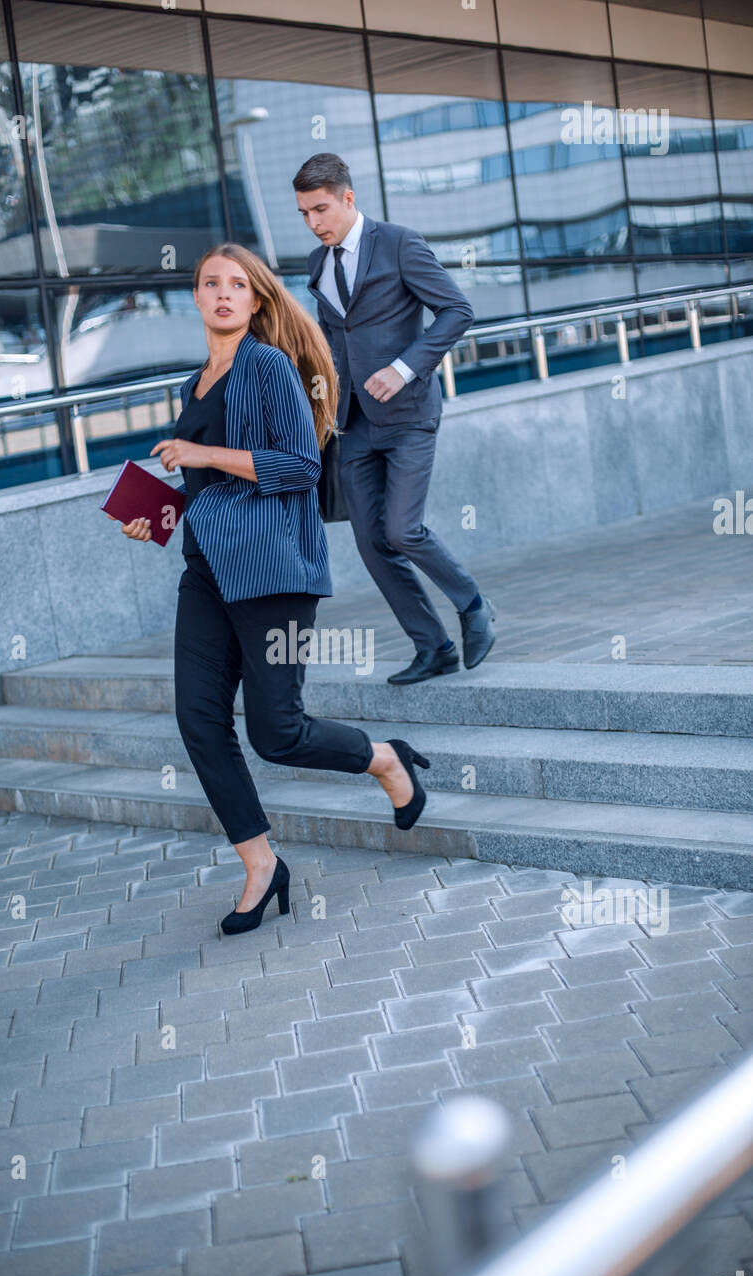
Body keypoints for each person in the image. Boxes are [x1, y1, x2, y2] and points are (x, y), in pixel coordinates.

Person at [109, 244, 431, 936]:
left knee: (277, 733)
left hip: (271, 571)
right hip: (206, 571)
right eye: (210, 283)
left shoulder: (268, 365)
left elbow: (297, 466)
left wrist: (202, 454)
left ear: (256, 300)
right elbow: (205, 491)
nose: (223, 294)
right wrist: (156, 517)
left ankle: (385, 758)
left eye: (237, 285)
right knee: (198, 720)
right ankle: (260, 864)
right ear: (195, 298)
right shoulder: (194, 383)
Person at [295, 152, 497, 685]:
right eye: (305, 214)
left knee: (404, 529)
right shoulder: (318, 265)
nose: (315, 223)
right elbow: (335, 343)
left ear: (347, 198)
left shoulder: (400, 242)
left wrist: (405, 368)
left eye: (321, 209)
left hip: (408, 414)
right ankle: (432, 647)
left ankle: (473, 604)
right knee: (371, 543)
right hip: (353, 423)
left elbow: (457, 310)